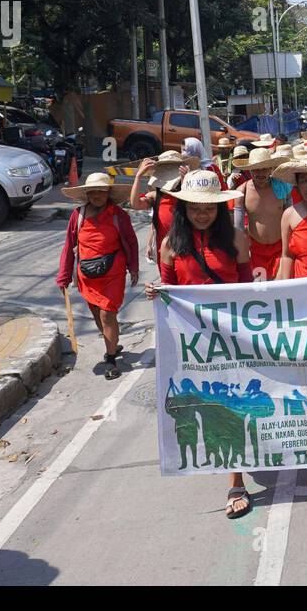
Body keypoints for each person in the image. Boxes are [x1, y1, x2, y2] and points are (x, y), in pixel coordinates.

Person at [144, 171, 256, 519]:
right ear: (183, 209)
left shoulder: (237, 240)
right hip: (193, 344)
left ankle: (236, 480)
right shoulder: (170, 245)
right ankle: (234, 476)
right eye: (194, 208)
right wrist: (156, 293)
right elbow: (169, 291)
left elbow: (248, 291)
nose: (202, 214)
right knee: (213, 406)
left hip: (232, 337)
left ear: (219, 209)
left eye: (208, 208)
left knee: (232, 406)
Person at [56, 173, 139, 380]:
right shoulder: (78, 215)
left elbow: (131, 241)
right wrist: (64, 275)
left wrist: (134, 267)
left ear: (108, 193)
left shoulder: (119, 215)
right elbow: (69, 246)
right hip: (87, 275)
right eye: (92, 191)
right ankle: (112, 341)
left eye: (101, 191)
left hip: (113, 273)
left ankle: (110, 360)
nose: (97, 195)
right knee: (96, 313)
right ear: (87, 194)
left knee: (106, 314)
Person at [232, 146, 291, 282]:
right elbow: (238, 228)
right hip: (255, 251)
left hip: (281, 248)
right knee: (261, 292)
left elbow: (290, 218)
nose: (260, 173)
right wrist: (242, 252)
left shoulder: (282, 188)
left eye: (264, 168)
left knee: (281, 289)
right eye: (256, 169)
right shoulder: (242, 191)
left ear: (271, 169)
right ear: (249, 170)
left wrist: (289, 248)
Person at [128, 151, 190, 267]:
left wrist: (186, 182)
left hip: (185, 248)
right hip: (163, 250)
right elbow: (135, 204)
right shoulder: (156, 196)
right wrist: (138, 176)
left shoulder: (188, 193)